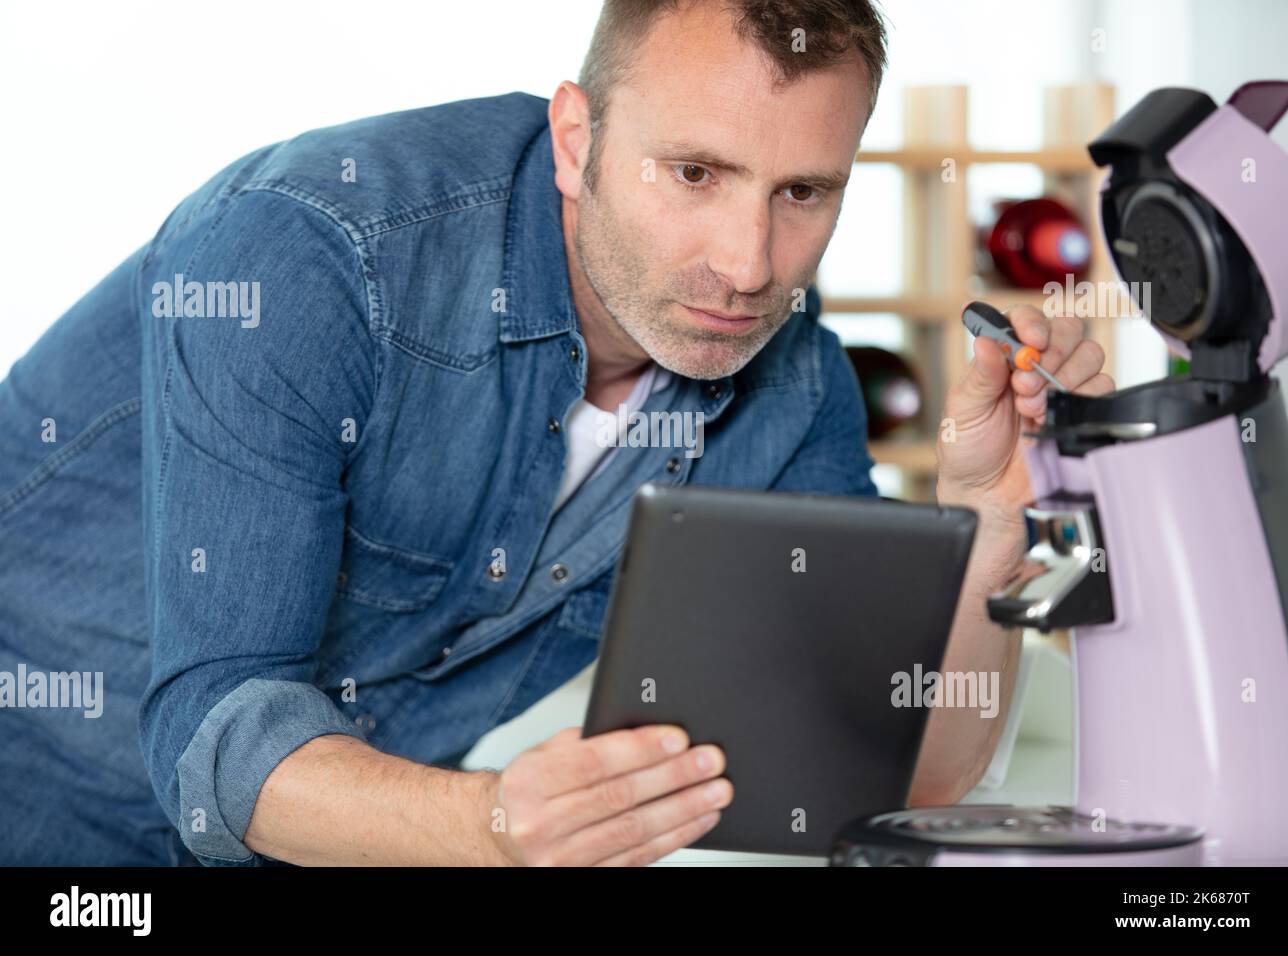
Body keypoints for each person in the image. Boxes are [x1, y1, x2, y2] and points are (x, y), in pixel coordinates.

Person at [0, 0, 1112, 866]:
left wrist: (989, 506)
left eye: (802, 191)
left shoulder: (789, 379)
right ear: (577, 137)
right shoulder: (308, 256)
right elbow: (215, 745)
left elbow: (910, 768)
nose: (748, 263)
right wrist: (490, 824)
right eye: (695, 172)